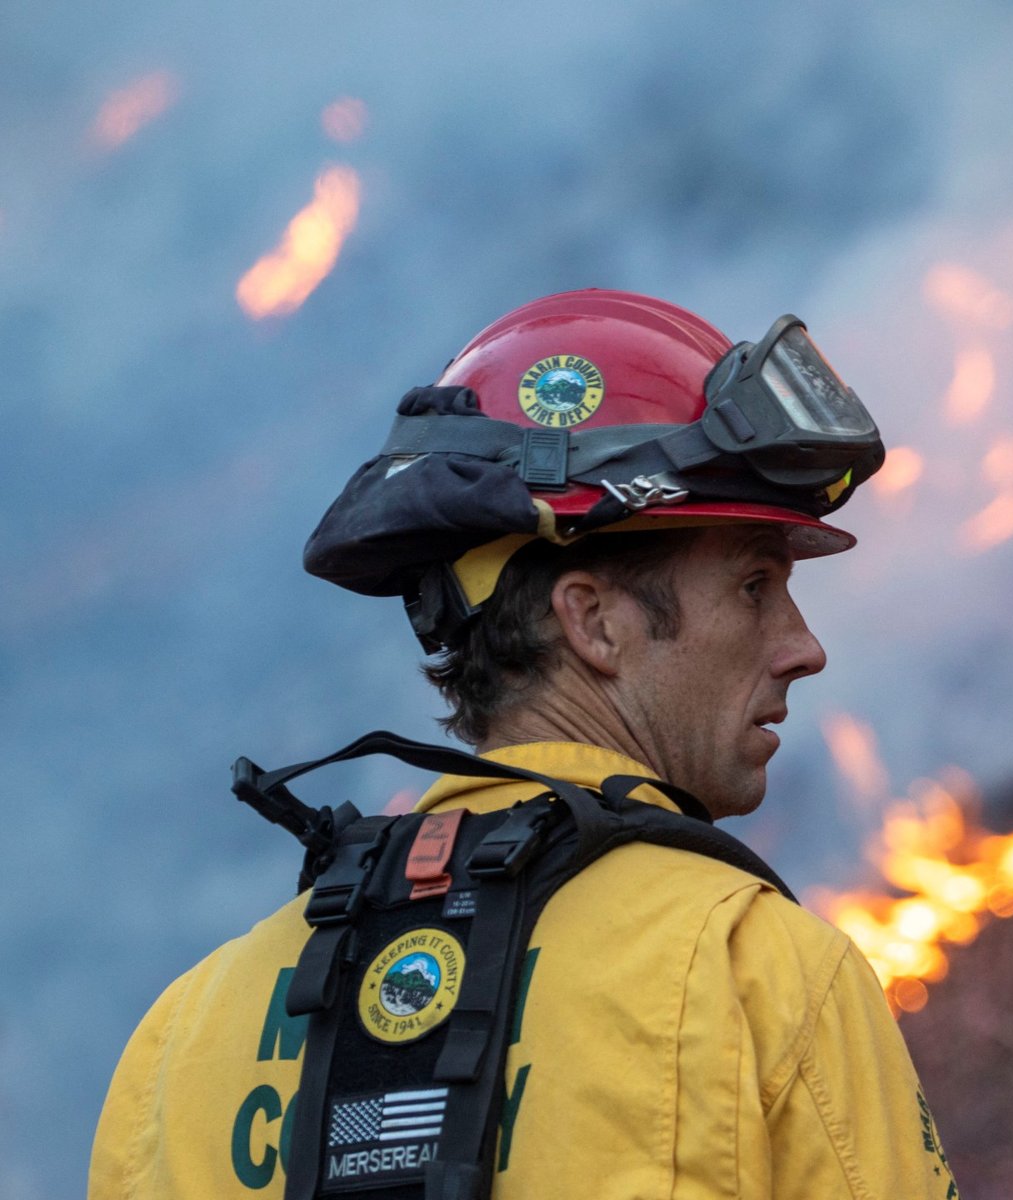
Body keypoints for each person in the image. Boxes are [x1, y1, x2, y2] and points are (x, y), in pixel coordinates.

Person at [89, 289, 959, 1199]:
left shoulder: (178, 1046)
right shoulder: (758, 975)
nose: (803, 646)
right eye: (752, 586)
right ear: (592, 621)